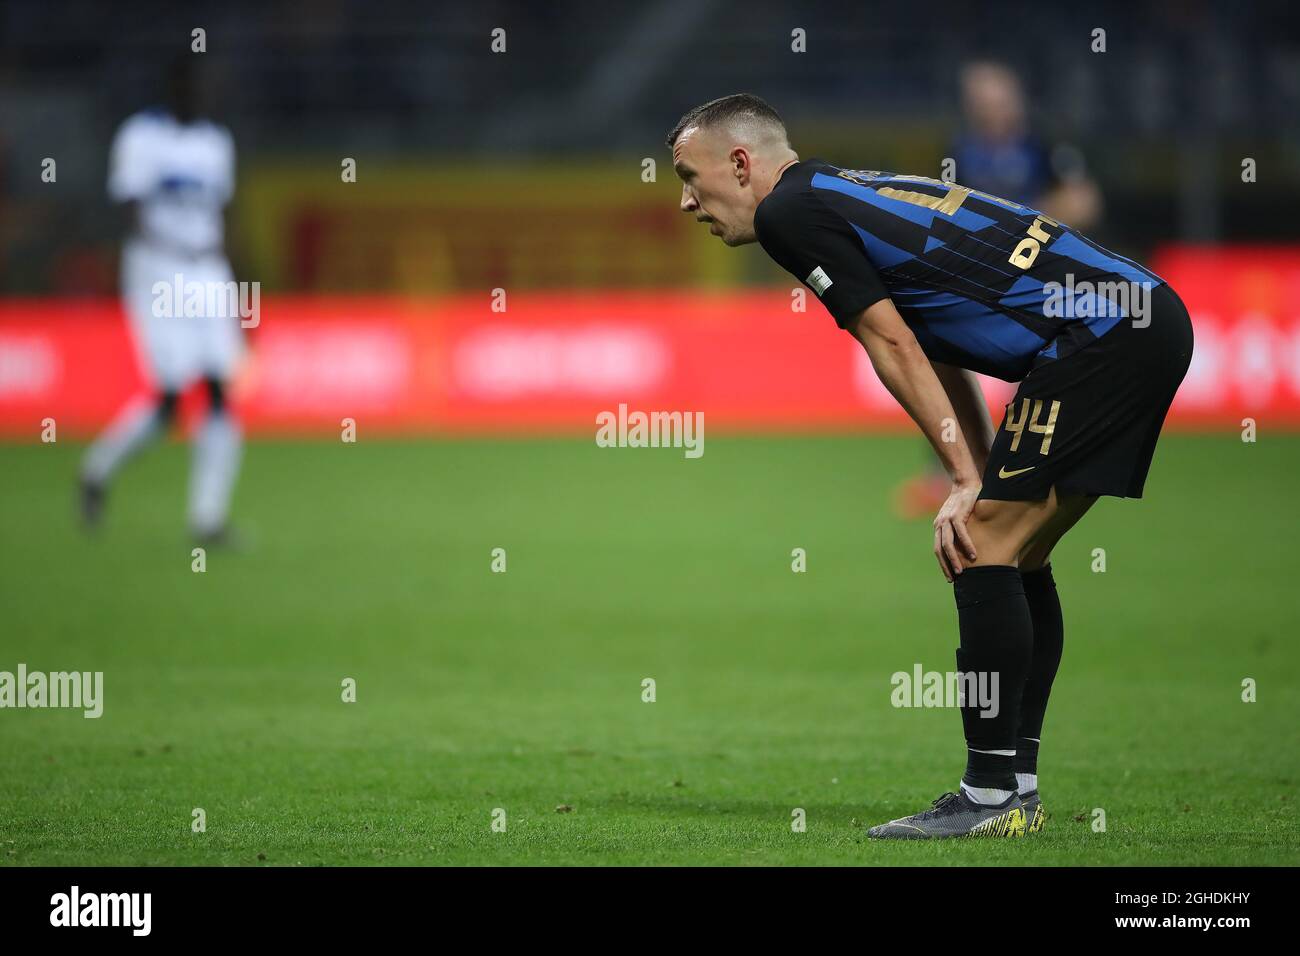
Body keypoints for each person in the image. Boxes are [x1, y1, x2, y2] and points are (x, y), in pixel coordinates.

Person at [667, 93, 1192, 838]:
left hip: (1101, 336)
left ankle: (988, 797)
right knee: (1018, 552)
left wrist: (966, 484)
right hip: (1142, 314)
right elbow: (936, 341)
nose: (688, 200)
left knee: (981, 546)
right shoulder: (843, 192)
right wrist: (968, 472)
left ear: (742, 164)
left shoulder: (791, 215)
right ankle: (1016, 788)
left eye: (691, 175)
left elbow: (892, 346)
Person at [80, 56, 243, 544]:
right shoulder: (142, 137)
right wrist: (163, 254)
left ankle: (207, 519)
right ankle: (97, 469)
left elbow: (223, 211)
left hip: (208, 269)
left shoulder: (217, 142)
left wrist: (235, 276)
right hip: (159, 269)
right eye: (194, 84)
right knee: (170, 399)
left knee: (219, 389)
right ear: (173, 86)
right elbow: (129, 205)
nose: (203, 95)